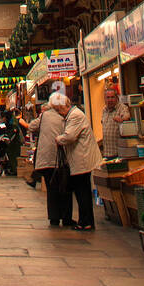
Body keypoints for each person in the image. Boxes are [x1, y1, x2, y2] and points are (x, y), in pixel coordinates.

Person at [51, 91, 100, 231]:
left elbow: (70, 136)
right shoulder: (72, 115)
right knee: (81, 191)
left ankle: (86, 222)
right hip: (79, 158)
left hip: (82, 158)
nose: (58, 112)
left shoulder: (75, 116)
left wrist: (58, 139)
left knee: (82, 191)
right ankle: (85, 220)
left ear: (63, 106)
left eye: (57, 109)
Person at [28, 93, 72, 226]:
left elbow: (31, 126)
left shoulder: (45, 115)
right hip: (61, 158)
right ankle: (66, 218)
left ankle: (54, 218)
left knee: (51, 188)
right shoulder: (67, 115)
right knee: (65, 187)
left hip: (46, 159)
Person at [100, 85, 131, 159]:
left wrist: (122, 119)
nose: (110, 100)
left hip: (119, 154)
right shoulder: (104, 110)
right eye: (108, 97)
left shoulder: (122, 108)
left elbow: (127, 116)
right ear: (104, 99)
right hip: (107, 153)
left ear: (116, 98)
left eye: (112, 97)